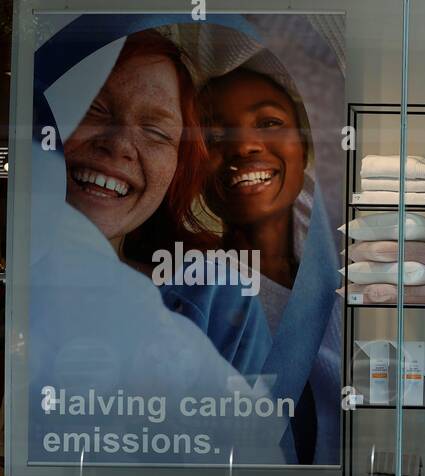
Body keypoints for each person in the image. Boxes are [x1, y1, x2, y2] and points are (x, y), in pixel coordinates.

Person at [58, 28, 272, 380]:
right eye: (93, 109)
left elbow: (260, 433)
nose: (120, 145)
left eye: (157, 132)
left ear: (177, 170)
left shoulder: (215, 299)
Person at [199, 63, 342, 465]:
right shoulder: (194, 293)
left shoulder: (336, 252)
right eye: (212, 134)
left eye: (268, 122)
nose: (244, 145)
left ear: (304, 145)